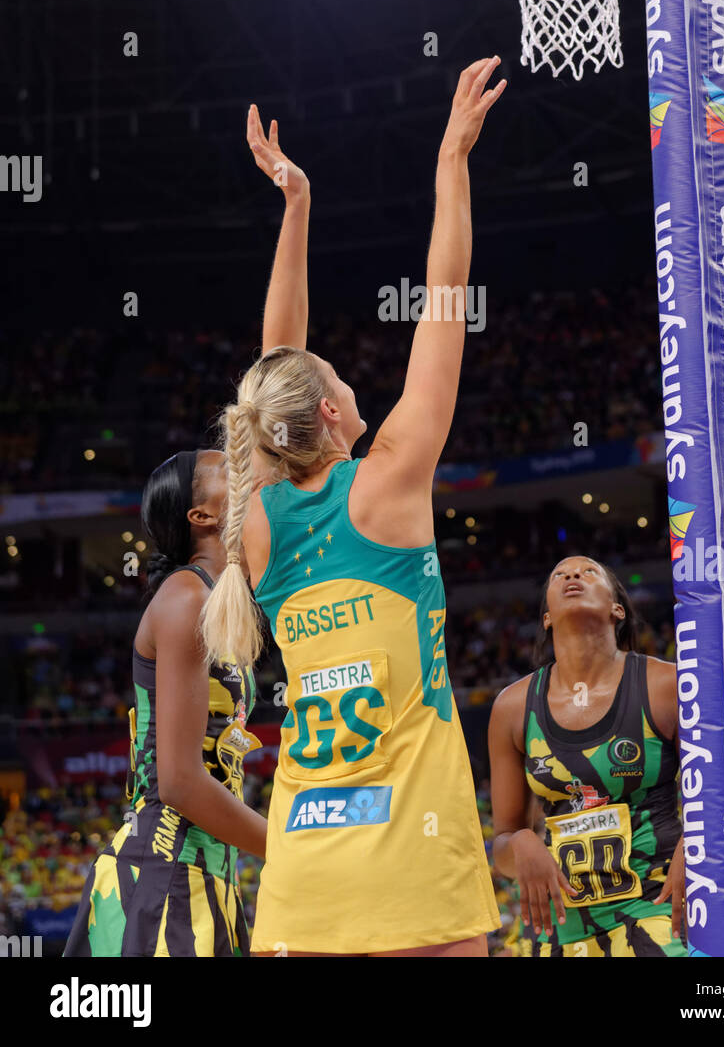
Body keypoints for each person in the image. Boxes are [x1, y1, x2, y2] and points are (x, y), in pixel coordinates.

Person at [200, 57, 507, 957]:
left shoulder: (255, 523)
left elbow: (275, 371)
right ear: (331, 411)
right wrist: (451, 160)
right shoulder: (389, 480)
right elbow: (445, 296)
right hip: (412, 853)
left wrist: (296, 206)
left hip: (305, 869)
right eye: (336, 375)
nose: (341, 371)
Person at [64, 105, 309, 957]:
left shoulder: (226, 590)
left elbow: (278, 369)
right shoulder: (180, 596)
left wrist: (296, 208)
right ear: (203, 514)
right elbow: (175, 778)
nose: (242, 472)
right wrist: (291, 850)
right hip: (161, 878)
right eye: (223, 471)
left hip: (208, 879)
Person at [488, 555, 687, 957]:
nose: (572, 575)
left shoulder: (668, 684)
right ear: (546, 618)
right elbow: (503, 846)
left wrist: (698, 847)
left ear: (617, 608)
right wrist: (522, 844)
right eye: (559, 574)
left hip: (658, 907)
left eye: (588, 571)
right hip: (561, 928)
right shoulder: (512, 707)